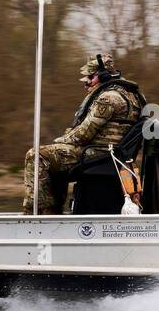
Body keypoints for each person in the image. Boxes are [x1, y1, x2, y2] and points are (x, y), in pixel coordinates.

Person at [22, 53, 145, 214]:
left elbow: (83, 135)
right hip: (112, 155)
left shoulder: (108, 98)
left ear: (103, 75)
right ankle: (51, 211)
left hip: (98, 154)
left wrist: (60, 141)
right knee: (53, 155)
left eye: (90, 76)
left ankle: (35, 212)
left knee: (37, 155)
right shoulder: (134, 96)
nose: (86, 82)